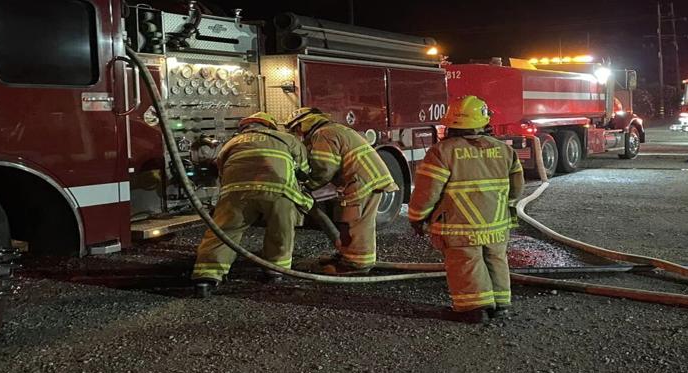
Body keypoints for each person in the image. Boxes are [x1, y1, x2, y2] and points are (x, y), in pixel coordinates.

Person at [406, 96, 525, 324]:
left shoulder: (442, 152)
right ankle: (501, 306)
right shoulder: (504, 150)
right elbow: (516, 190)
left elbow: (426, 192)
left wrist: (416, 217)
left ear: (451, 124)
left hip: (459, 224)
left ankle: (475, 309)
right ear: (483, 121)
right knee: (496, 259)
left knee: (466, 262)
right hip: (497, 222)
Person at [190, 113, 311, 296]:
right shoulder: (287, 139)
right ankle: (276, 271)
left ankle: (207, 276)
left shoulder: (232, 143)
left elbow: (222, 170)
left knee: (224, 232)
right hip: (279, 191)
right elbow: (304, 169)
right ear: (270, 126)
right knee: (280, 230)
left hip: (236, 192)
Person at [285, 106, 399, 274]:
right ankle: (348, 255)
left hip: (361, 182)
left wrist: (308, 185)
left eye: (296, 129)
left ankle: (357, 264)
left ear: (303, 125)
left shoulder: (323, 134)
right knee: (348, 220)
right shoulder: (332, 130)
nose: (297, 134)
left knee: (354, 223)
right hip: (364, 179)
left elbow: (325, 168)